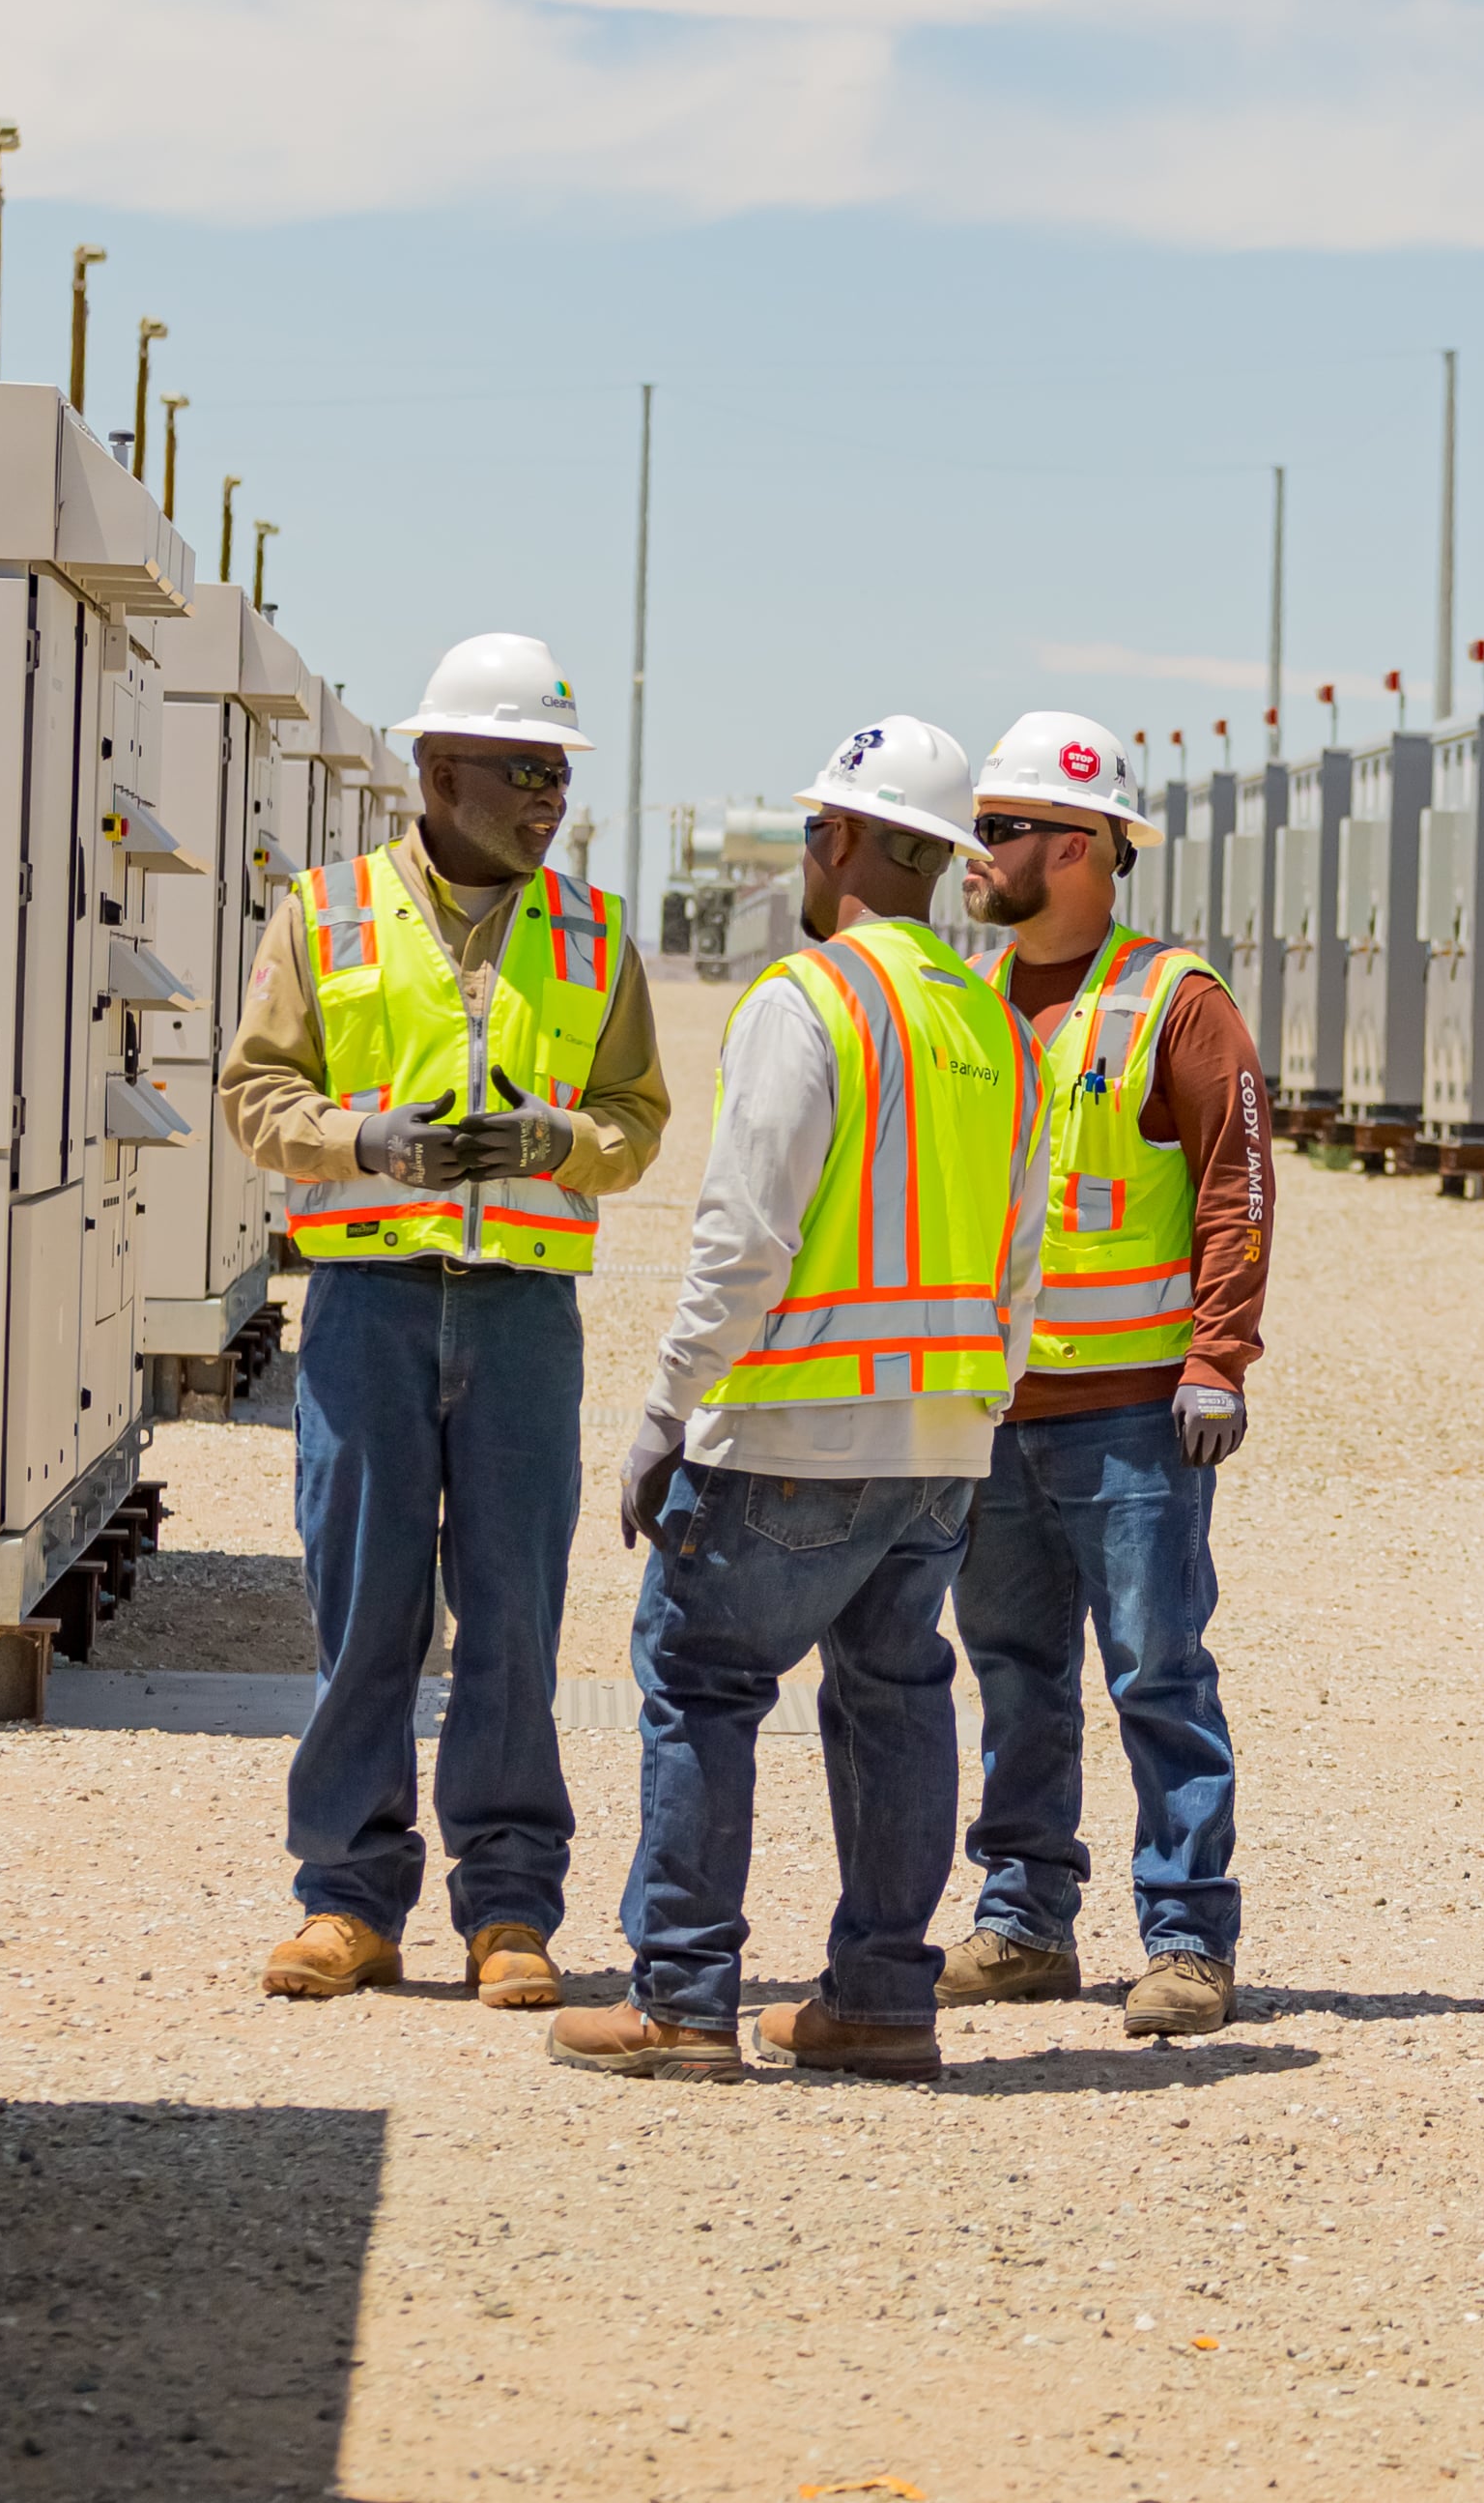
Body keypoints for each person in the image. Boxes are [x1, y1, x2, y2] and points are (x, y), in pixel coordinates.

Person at [546, 718, 1042, 2084]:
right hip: (942, 1438)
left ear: (845, 840)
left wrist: (664, 1411)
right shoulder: (995, 1026)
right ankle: (880, 2001)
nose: (811, 852)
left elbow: (742, 1242)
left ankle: (682, 2000)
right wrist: (975, 1408)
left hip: (790, 1433)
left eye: (817, 830)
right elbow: (1021, 1255)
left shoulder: (804, 1000)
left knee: (700, 1686)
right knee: (898, 1701)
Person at [218, 630, 670, 2008]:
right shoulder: (325, 915)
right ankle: (347, 1901)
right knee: (366, 1611)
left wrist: (558, 1142)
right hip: (370, 1306)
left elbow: (636, 1117)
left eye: (559, 776)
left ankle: (511, 1907)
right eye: (524, 771)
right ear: (438, 772)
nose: (549, 799)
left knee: (515, 1621)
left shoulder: (593, 935)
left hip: (525, 1316)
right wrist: (365, 1142)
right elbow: (255, 1096)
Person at [937, 709, 1265, 2037]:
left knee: (1156, 1674)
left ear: (1078, 846)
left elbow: (1237, 1185)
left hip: (1134, 1410)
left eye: (999, 828)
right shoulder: (966, 1003)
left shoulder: (1175, 1001)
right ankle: (1024, 1924)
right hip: (992, 1405)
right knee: (1013, 1673)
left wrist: (1218, 1358)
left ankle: (1187, 1942)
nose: (974, 850)